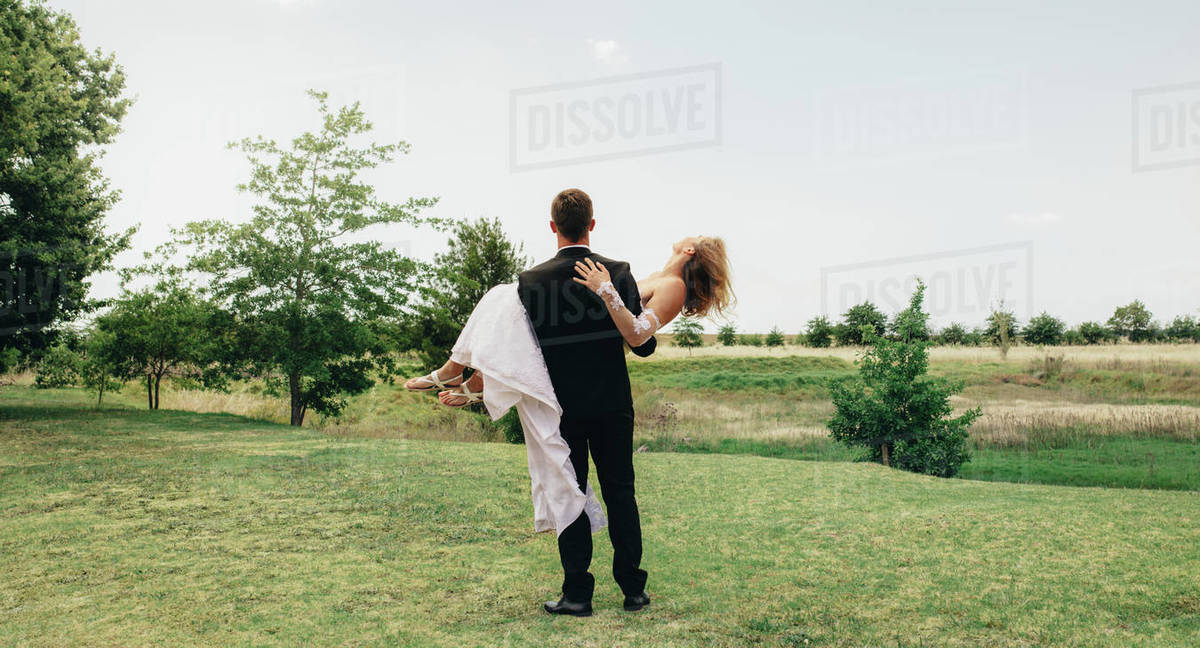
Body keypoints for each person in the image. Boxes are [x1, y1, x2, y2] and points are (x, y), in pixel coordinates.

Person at [404, 188, 732, 616]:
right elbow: (640, 343)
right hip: (613, 403)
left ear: (553, 225)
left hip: (561, 407)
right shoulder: (619, 271)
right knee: (621, 492)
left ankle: (577, 593)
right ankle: (633, 589)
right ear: (592, 225)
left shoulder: (530, 283)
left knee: (568, 489)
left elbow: (520, 349)